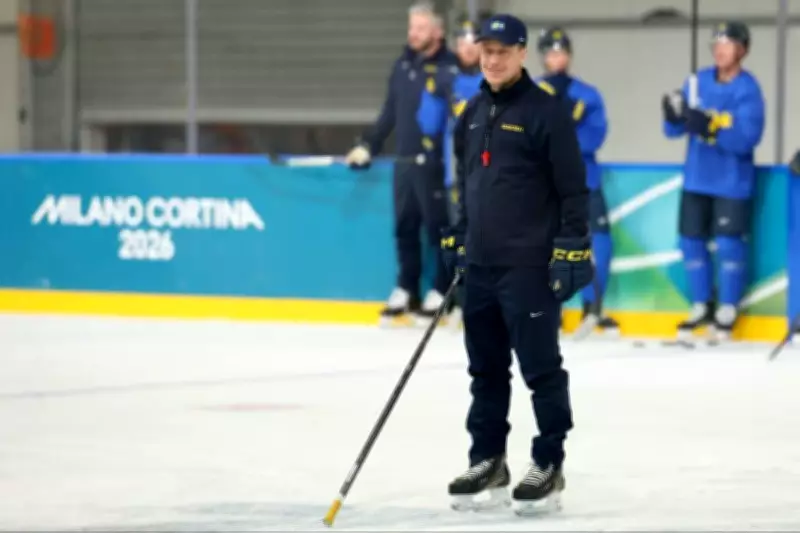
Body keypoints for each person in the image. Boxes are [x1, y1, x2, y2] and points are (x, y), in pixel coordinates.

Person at [440, 14, 592, 515]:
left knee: (541, 369)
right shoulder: (471, 112)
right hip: (481, 267)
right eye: (486, 50)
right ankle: (487, 459)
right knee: (485, 371)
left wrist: (571, 246)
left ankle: (549, 462)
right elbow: (467, 185)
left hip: (528, 267)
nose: (493, 59)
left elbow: (573, 190)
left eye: (502, 51)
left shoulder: (546, 112)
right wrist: (458, 235)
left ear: (522, 53)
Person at [345, 2, 458, 326]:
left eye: (420, 28)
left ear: (437, 32)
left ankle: (442, 291)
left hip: (435, 164)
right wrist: (368, 144)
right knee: (405, 228)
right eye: (411, 27)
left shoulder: (450, 69)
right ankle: (408, 289)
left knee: (439, 230)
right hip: (404, 162)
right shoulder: (402, 66)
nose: (413, 34)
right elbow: (389, 113)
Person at [662, 21, 765, 341]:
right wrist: (673, 117)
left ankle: (728, 308)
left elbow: (747, 138)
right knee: (690, 241)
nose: (720, 50)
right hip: (697, 177)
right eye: (716, 43)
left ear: (742, 50)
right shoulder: (697, 82)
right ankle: (701, 304)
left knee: (729, 244)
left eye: (728, 43)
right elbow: (675, 131)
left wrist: (709, 127)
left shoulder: (748, 89)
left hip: (731, 181)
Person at [534, 27, 615, 337]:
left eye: (561, 52)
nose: (556, 58)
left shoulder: (587, 94)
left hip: (584, 180)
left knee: (597, 241)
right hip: (544, 183)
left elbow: (596, 136)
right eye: (551, 52)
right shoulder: (530, 93)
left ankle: (592, 306)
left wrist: (564, 135)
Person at [416, 19, 483, 326]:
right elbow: (428, 124)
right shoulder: (445, 79)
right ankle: (462, 302)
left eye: (474, 42)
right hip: (458, 175)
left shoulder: (498, 77)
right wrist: (432, 95)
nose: (468, 48)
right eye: (462, 42)